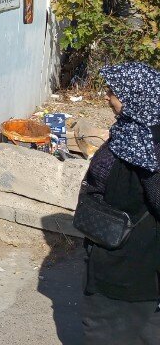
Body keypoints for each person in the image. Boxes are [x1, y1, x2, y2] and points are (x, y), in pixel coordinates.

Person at [81, 61, 160, 344]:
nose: (106, 97)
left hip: (128, 269)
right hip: (111, 253)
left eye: (112, 92)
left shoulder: (147, 151)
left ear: (134, 99)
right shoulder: (130, 132)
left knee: (109, 332)